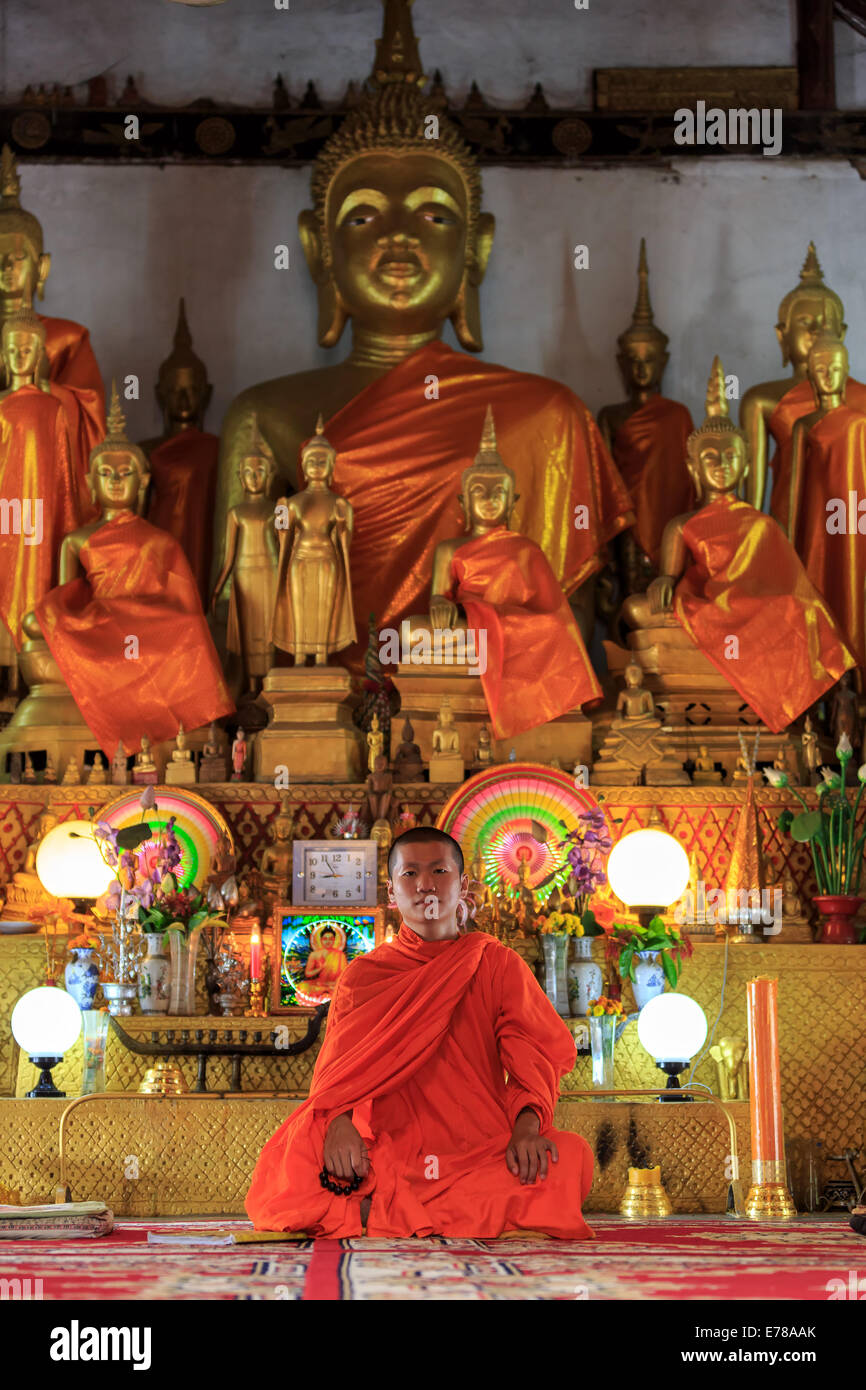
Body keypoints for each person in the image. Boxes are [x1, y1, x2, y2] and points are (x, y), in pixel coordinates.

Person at [245, 825, 594, 1238]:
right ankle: (441, 1210)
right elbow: (339, 1073)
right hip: (391, 1147)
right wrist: (340, 1124)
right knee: (297, 1155)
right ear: (391, 892)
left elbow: (533, 1057)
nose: (425, 885)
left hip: (478, 1148)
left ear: (463, 885)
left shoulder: (496, 964)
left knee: (569, 1157)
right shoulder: (365, 975)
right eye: (410, 874)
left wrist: (526, 1129)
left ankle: (378, 1212)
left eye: (439, 872)